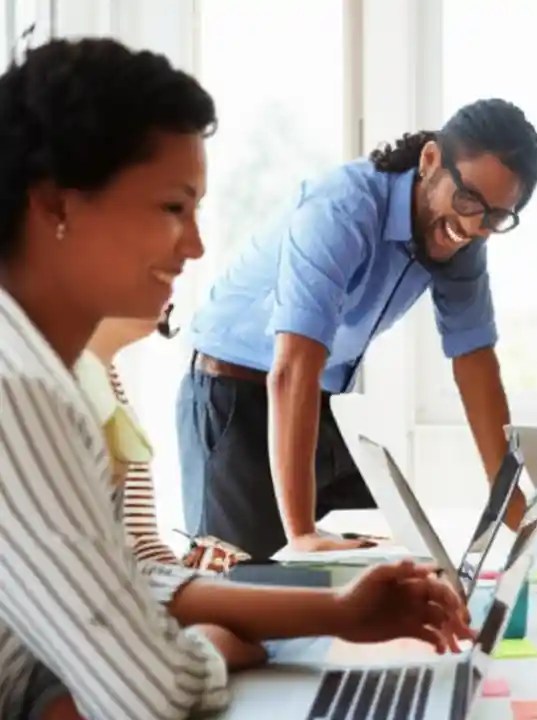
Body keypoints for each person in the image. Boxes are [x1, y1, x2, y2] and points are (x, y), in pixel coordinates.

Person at [0, 38, 470, 720]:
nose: (194, 245)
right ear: (55, 205)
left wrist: (337, 612)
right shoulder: (21, 389)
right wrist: (216, 646)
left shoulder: (52, 375)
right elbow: (150, 691)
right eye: (173, 208)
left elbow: (121, 579)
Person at [178, 99, 537, 560]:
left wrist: (515, 507)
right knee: (250, 580)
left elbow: (476, 364)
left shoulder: (463, 236)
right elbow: (291, 368)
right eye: (467, 197)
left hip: (311, 397)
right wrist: (302, 533)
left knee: (380, 561)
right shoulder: (343, 208)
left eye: (495, 217)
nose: (473, 225)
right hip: (231, 392)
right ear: (431, 161)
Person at [74, 310, 249, 571]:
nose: (169, 294)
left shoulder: (103, 374)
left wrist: (190, 574)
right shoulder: (62, 383)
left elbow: (140, 544)